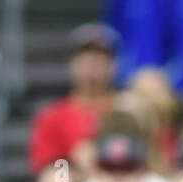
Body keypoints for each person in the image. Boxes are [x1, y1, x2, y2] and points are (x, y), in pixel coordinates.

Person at [29, 23, 119, 174]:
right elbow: (51, 175)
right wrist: (71, 163)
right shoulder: (52, 117)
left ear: (113, 65)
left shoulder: (129, 111)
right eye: (85, 59)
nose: (92, 65)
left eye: (99, 59)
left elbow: (157, 164)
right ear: (71, 64)